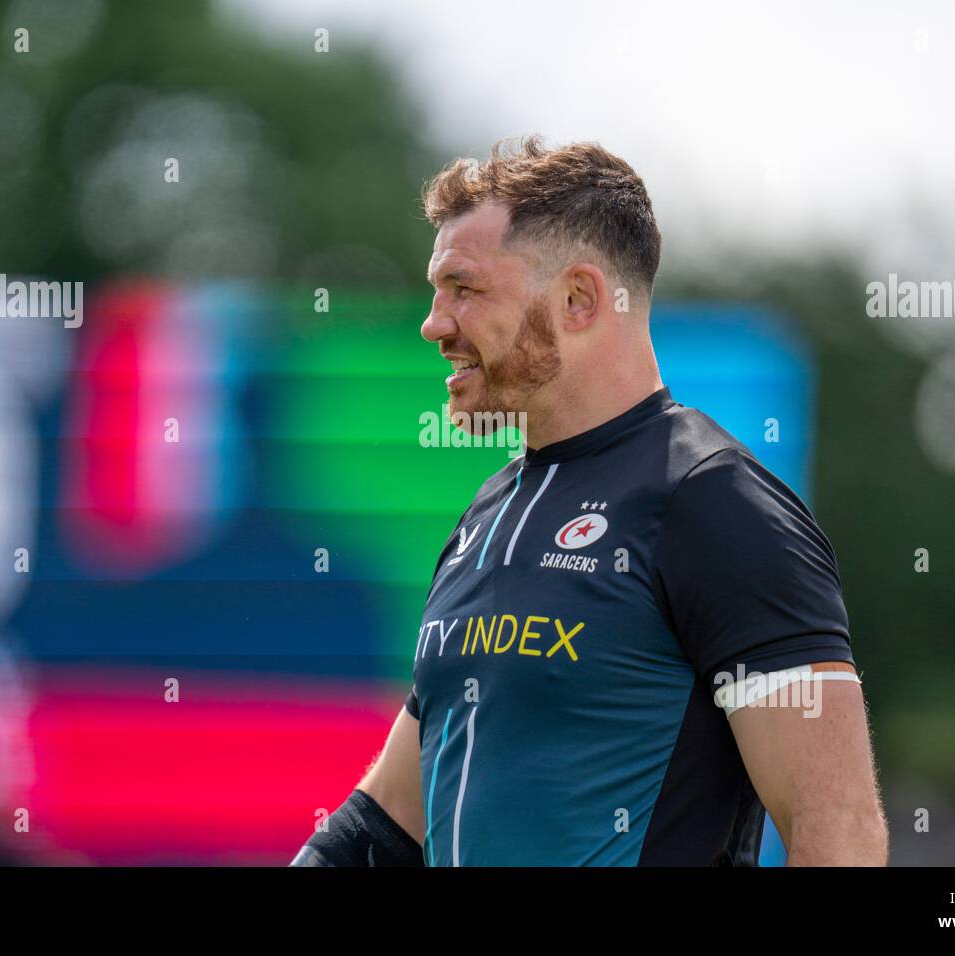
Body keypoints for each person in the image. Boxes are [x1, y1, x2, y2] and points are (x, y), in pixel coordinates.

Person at [291, 135, 887, 866]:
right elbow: (388, 822)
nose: (435, 324)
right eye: (436, 292)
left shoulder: (715, 503)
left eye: (465, 289)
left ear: (577, 299)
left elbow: (839, 829)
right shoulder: (488, 515)